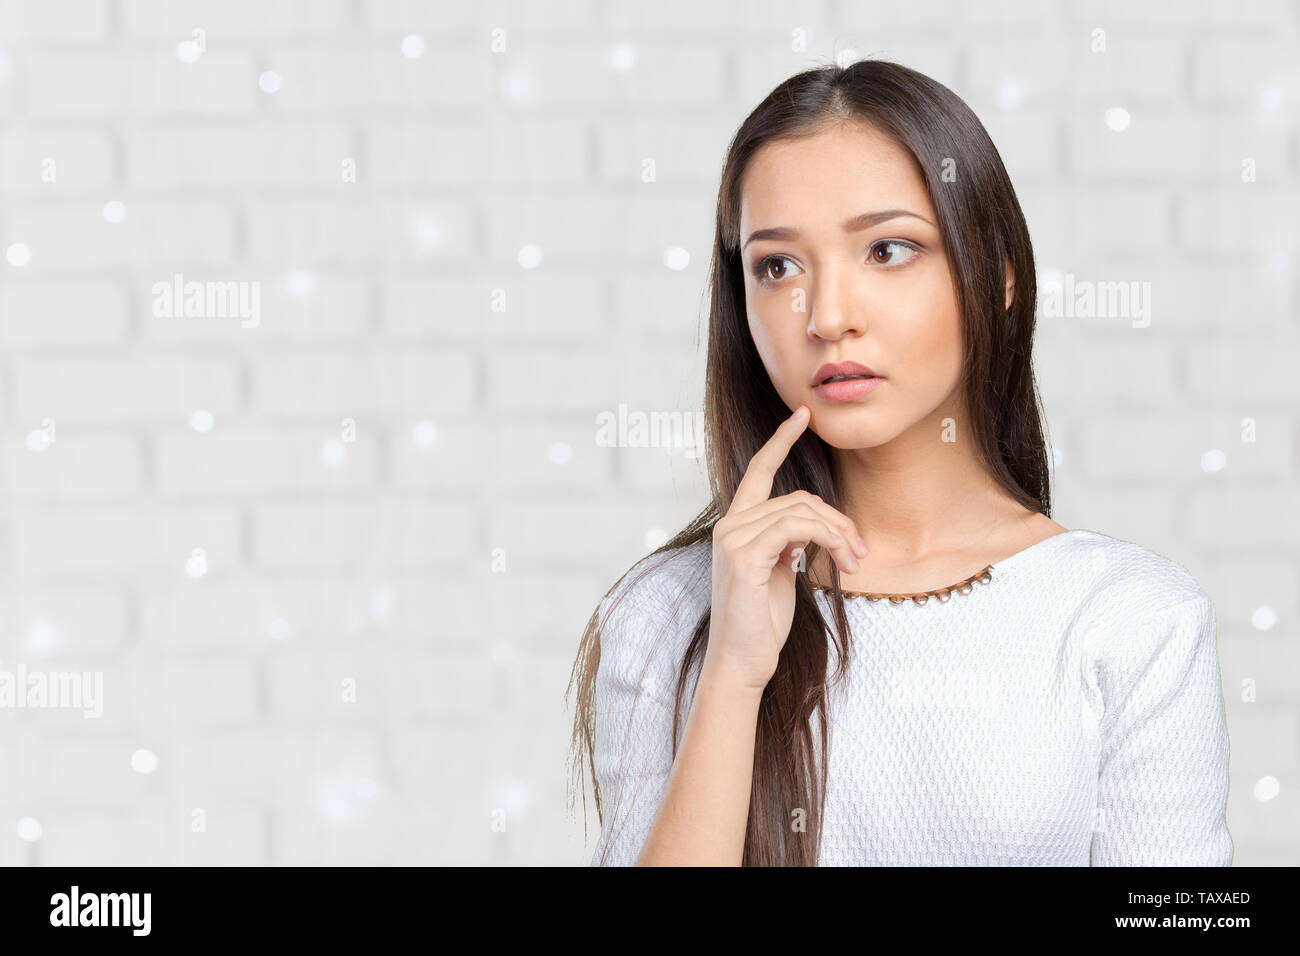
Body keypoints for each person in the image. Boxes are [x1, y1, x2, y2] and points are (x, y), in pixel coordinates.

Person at [566, 59, 1233, 867]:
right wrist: (734, 677)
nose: (829, 317)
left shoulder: (1129, 621)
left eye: (887, 249)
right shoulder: (667, 614)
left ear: (998, 275)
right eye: (777, 266)